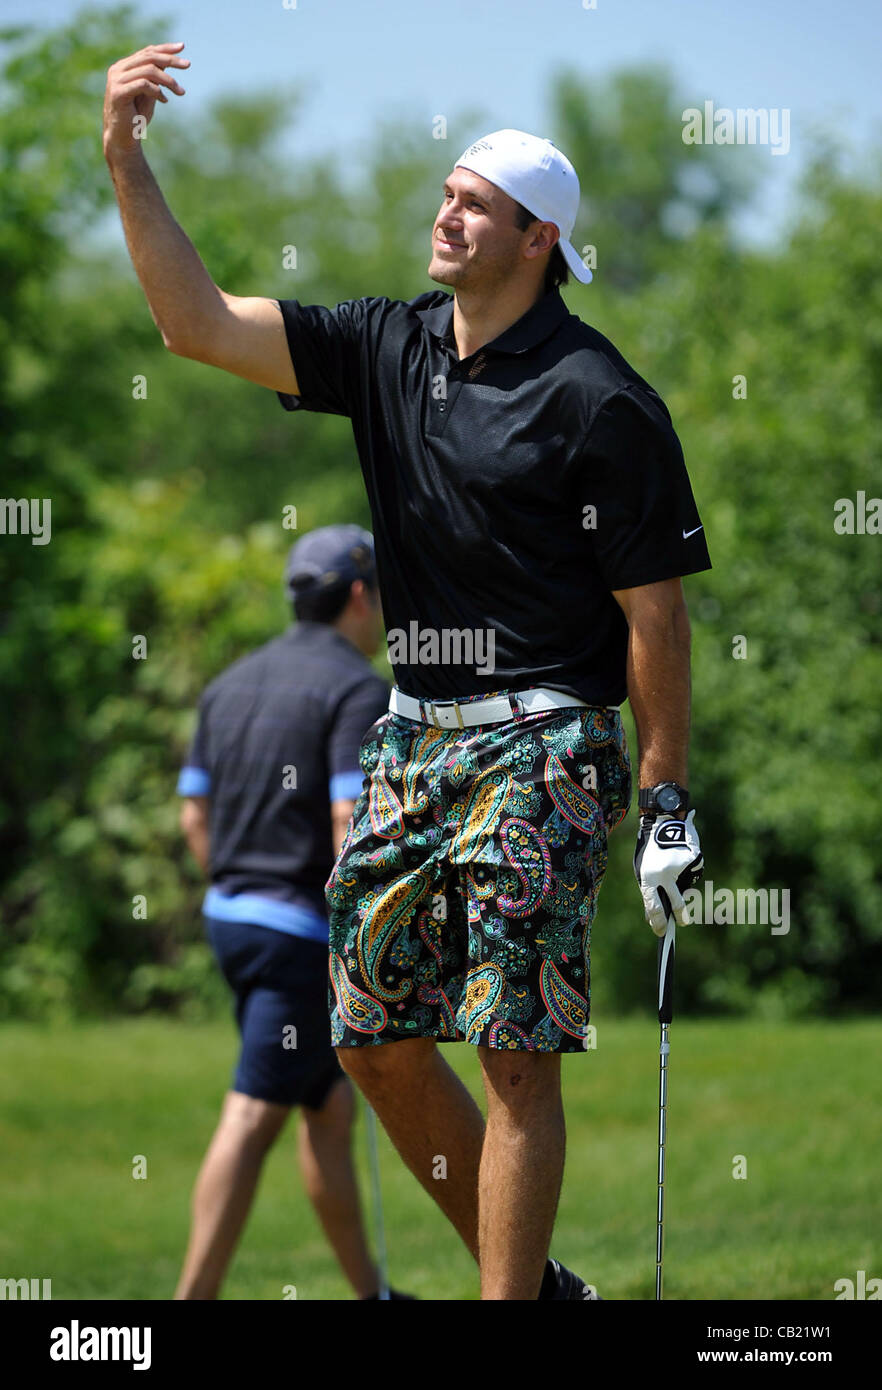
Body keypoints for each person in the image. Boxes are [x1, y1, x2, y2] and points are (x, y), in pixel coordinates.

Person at [104, 47, 710, 1300]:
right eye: (445, 193)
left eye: (473, 203)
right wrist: (125, 156)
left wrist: (668, 802)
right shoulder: (388, 348)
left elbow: (654, 618)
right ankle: (537, 1286)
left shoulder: (602, 400)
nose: (445, 214)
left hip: (545, 739)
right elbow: (196, 323)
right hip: (414, 738)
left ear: (538, 239)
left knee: (512, 1049)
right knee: (370, 1032)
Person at [174, 525, 397, 1300]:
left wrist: (236, 891)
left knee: (329, 1107)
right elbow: (349, 824)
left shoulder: (228, 683)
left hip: (229, 918)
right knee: (252, 1114)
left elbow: (193, 817)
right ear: (362, 595)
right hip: (296, 933)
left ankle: (371, 1293)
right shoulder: (357, 687)